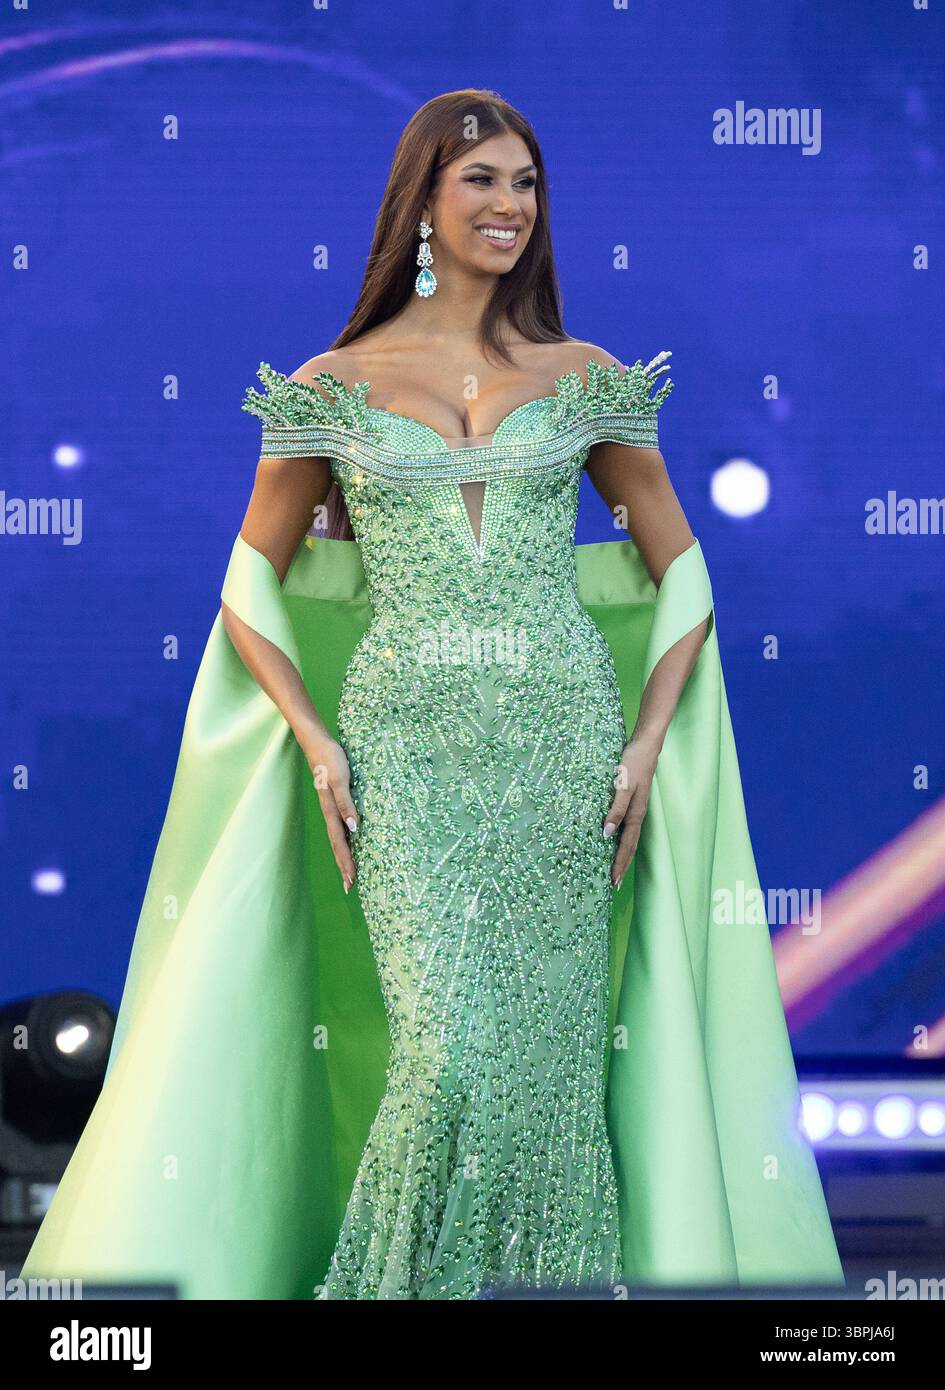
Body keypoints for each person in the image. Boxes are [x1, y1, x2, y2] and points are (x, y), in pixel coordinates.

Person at [19, 89, 843, 1300]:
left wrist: (648, 738)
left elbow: (686, 571)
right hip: (402, 751)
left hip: (564, 748)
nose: (510, 206)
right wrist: (315, 738)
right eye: (483, 183)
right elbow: (250, 581)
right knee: (447, 1062)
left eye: (526, 185)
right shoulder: (334, 384)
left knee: (549, 1073)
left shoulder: (585, 377)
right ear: (422, 202)